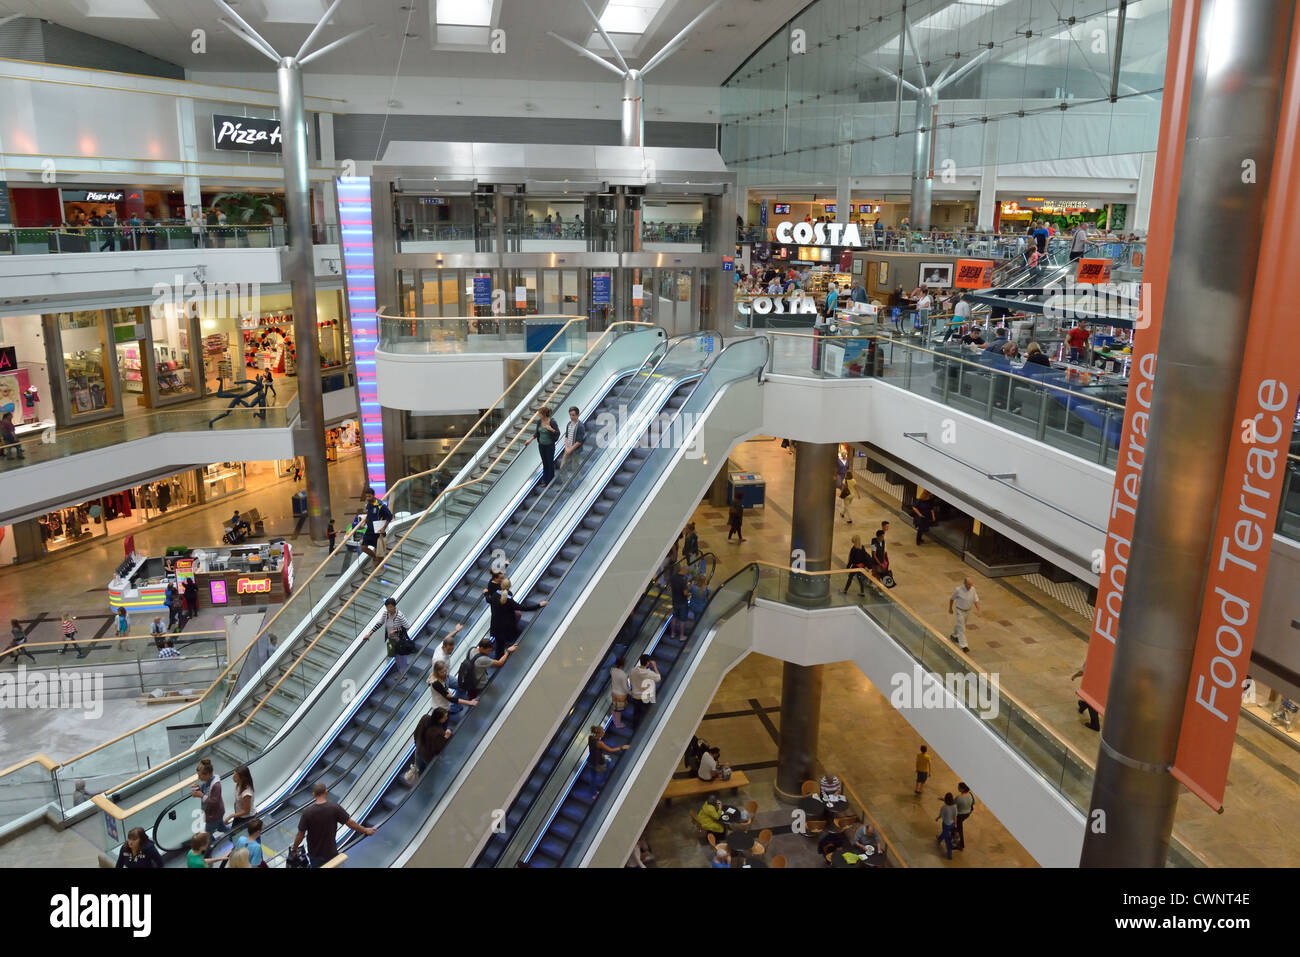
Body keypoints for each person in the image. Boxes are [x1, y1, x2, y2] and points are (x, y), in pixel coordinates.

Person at [292, 781, 375, 868]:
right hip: (331, 851)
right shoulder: (334, 807)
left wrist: (295, 849)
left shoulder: (307, 813)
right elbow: (351, 824)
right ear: (326, 792)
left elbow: (300, 835)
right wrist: (365, 830)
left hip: (314, 854)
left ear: (314, 794)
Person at [483, 578, 547, 658]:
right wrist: (539, 605)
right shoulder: (509, 600)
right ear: (509, 586)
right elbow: (523, 608)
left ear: (500, 585)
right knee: (516, 638)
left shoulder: (495, 595)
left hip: (496, 625)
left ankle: (499, 659)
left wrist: (486, 593)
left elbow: (488, 599)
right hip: (507, 626)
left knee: (499, 646)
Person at [364, 597, 415, 677]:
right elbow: (379, 623)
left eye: (390, 607)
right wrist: (370, 633)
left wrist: (395, 631)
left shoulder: (399, 616)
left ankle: (403, 675)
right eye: (387, 607)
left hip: (399, 640)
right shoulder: (386, 614)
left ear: (395, 606)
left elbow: (407, 626)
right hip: (391, 639)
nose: (389, 609)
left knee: (401, 657)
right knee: (396, 656)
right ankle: (401, 671)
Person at [587, 724, 629, 798]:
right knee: (609, 764)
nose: (604, 733)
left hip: (590, 761)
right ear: (599, 733)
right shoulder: (600, 743)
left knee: (593, 777)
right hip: (598, 763)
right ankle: (604, 781)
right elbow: (611, 750)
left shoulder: (590, 738)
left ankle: (593, 794)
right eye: (602, 732)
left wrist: (601, 754)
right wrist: (621, 747)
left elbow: (594, 749)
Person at [524, 406, 561, 485]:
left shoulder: (552, 422)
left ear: (543, 414)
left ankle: (550, 480)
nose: (538, 415)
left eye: (539, 414)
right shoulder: (539, 422)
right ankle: (545, 479)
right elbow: (537, 433)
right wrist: (530, 440)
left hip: (549, 446)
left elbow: (557, 433)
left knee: (549, 462)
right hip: (541, 445)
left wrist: (551, 429)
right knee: (544, 462)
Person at [190, 757, 225, 836]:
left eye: (200, 775)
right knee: (222, 828)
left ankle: (208, 847)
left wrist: (201, 795)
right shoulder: (207, 782)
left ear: (208, 774)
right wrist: (198, 789)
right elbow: (206, 792)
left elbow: (214, 802)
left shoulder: (216, 785)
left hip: (214, 815)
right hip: (214, 813)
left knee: (208, 835)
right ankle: (233, 833)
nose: (199, 778)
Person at [359, 487, 392, 567]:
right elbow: (369, 515)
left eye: (369, 496)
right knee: (363, 547)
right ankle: (375, 558)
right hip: (369, 531)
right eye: (366, 497)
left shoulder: (381, 506)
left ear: (374, 495)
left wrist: (383, 528)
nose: (367, 498)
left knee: (379, 553)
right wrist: (364, 522)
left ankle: (379, 567)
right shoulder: (368, 504)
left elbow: (389, 516)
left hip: (378, 532)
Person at [627, 653, 661, 730]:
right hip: (645, 697)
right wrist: (655, 666)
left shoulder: (633, 670)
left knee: (636, 713)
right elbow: (658, 678)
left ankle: (635, 727)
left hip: (635, 695)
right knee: (645, 713)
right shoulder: (649, 673)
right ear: (648, 663)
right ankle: (644, 728)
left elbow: (631, 681)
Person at [948, 576, 981, 652]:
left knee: (961, 625)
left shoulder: (973, 589)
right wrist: (950, 608)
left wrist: (979, 610)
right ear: (964, 583)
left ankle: (954, 635)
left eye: (971, 584)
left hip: (967, 611)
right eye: (968, 584)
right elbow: (952, 598)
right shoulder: (958, 590)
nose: (970, 586)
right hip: (959, 610)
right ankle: (964, 646)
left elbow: (976, 600)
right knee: (962, 628)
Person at [413, 708, 453, 772]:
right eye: (445, 717)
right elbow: (438, 748)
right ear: (439, 718)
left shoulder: (425, 718)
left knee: (419, 770)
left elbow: (416, 732)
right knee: (430, 772)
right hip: (427, 756)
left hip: (418, 750)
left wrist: (417, 743)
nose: (446, 718)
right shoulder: (437, 732)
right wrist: (446, 737)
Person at [224, 764, 254, 829]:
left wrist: (231, 816)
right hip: (239, 815)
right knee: (234, 833)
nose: (233, 777)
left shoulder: (246, 793)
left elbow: (246, 811)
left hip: (246, 818)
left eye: (235, 776)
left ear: (241, 778)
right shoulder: (238, 784)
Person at [561, 405, 586, 479]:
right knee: (562, 467)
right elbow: (566, 437)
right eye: (570, 415)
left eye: (573, 415)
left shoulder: (580, 426)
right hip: (567, 449)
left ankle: (577, 481)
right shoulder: (569, 424)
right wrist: (566, 448)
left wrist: (570, 450)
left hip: (575, 451)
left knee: (575, 467)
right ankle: (564, 483)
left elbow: (579, 442)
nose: (571, 417)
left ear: (578, 415)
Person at [669, 564, 691, 640]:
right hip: (682, 602)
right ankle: (681, 636)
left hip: (675, 601)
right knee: (682, 619)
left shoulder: (673, 577)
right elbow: (685, 593)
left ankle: (672, 633)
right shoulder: (683, 580)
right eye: (687, 572)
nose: (687, 573)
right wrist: (688, 588)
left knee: (674, 617)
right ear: (685, 571)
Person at [954, 782, 976, 850]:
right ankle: (955, 837)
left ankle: (961, 845)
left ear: (962, 789)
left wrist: (944, 799)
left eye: (959, 787)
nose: (958, 788)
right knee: (958, 827)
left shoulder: (959, 798)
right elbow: (974, 803)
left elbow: (952, 803)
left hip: (960, 815)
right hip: (968, 813)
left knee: (959, 829)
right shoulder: (970, 795)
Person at [936, 792, 958, 859]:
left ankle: (949, 855)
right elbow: (955, 817)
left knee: (947, 840)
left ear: (945, 800)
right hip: (952, 824)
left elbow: (941, 815)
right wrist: (955, 824)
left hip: (945, 824)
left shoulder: (944, 807)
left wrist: (937, 818)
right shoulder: (954, 808)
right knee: (946, 834)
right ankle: (939, 839)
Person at [610, 656, 630, 729]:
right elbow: (625, 688)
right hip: (620, 694)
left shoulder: (612, 670)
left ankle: (614, 721)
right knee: (618, 710)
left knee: (614, 707)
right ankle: (618, 724)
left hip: (613, 692)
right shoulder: (623, 674)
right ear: (622, 665)